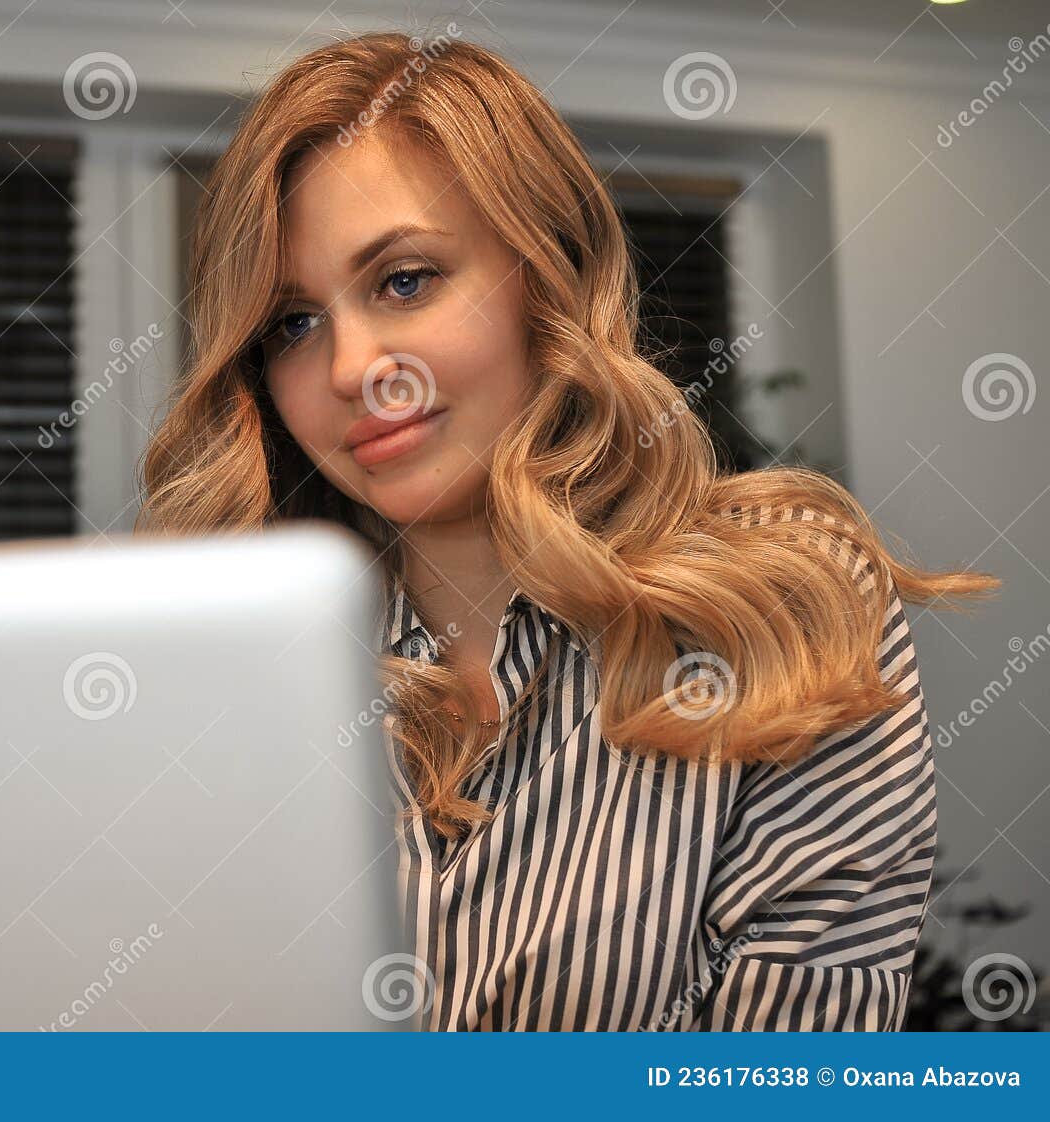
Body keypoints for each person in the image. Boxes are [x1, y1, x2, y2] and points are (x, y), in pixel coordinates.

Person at [135, 29, 998, 1030]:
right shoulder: (236, 675)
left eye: (404, 280)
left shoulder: (787, 607)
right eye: (292, 323)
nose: (350, 368)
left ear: (546, 275)